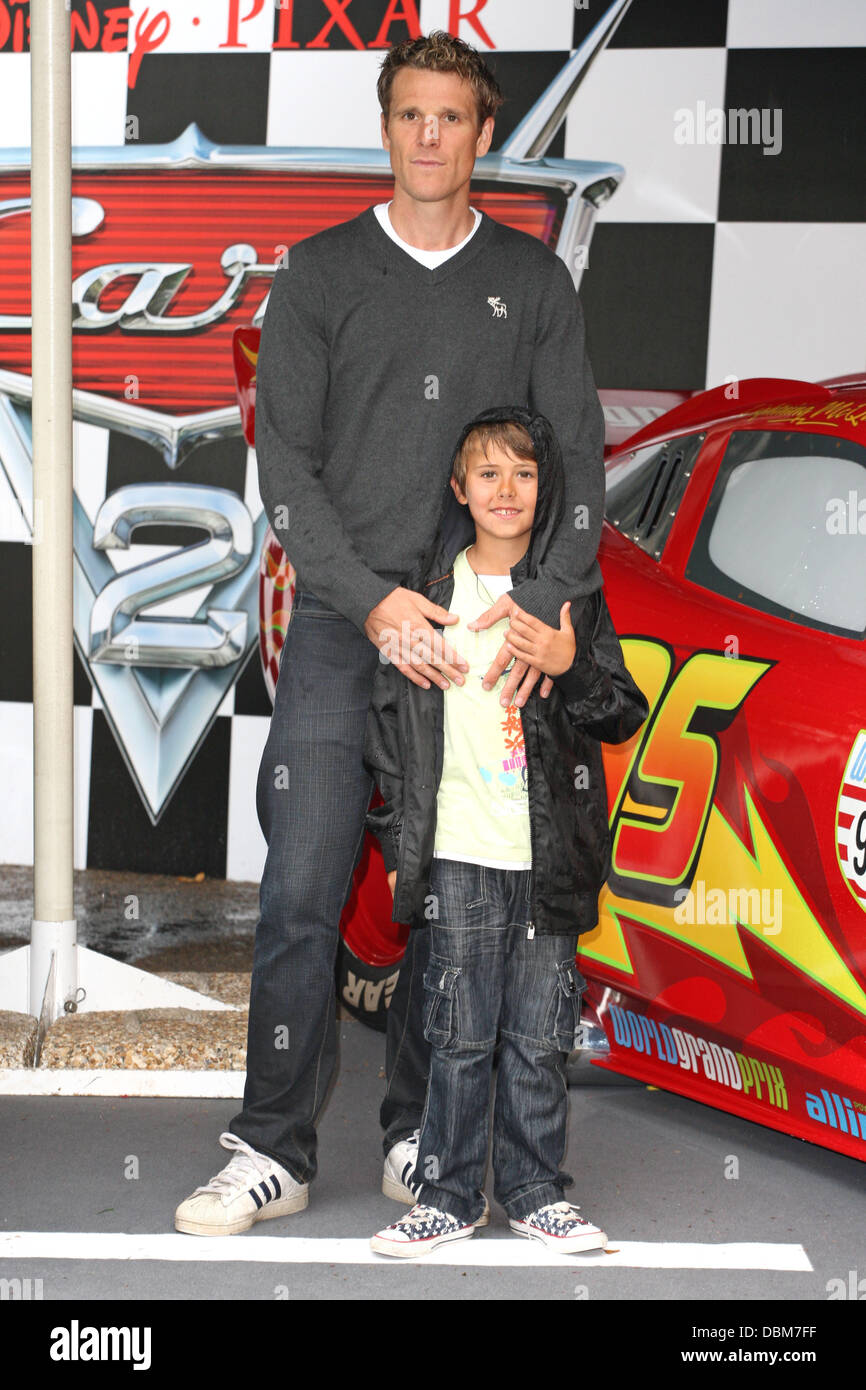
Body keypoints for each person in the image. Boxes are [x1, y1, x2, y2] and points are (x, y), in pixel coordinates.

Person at [174, 31, 606, 1237]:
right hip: (340, 623)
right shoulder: (316, 273)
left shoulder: (531, 286)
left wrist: (530, 618)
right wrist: (369, 599)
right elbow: (285, 465)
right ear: (388, 128)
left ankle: (421, 1136)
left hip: (472, 643)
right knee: (304, 886)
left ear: (482, 136)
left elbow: (577, 476)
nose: (428, 137)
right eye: (409, 115)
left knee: (446, 896)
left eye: (451, 118)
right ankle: (269, 1147)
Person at [366, 407, 649, 1256]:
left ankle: (534, 1190)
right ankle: (449, 1195)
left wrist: (570, 669)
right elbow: (389, 733)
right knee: (459, 1034)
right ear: (459, 489)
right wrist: (393, 846)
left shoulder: (570, 595)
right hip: (457, 854)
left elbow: (622, 711)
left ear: (546, 489)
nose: (506, 489)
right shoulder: (427, 595)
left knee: (537, 1036)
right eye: (487, 473)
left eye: (524, 474)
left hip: (548, 859)